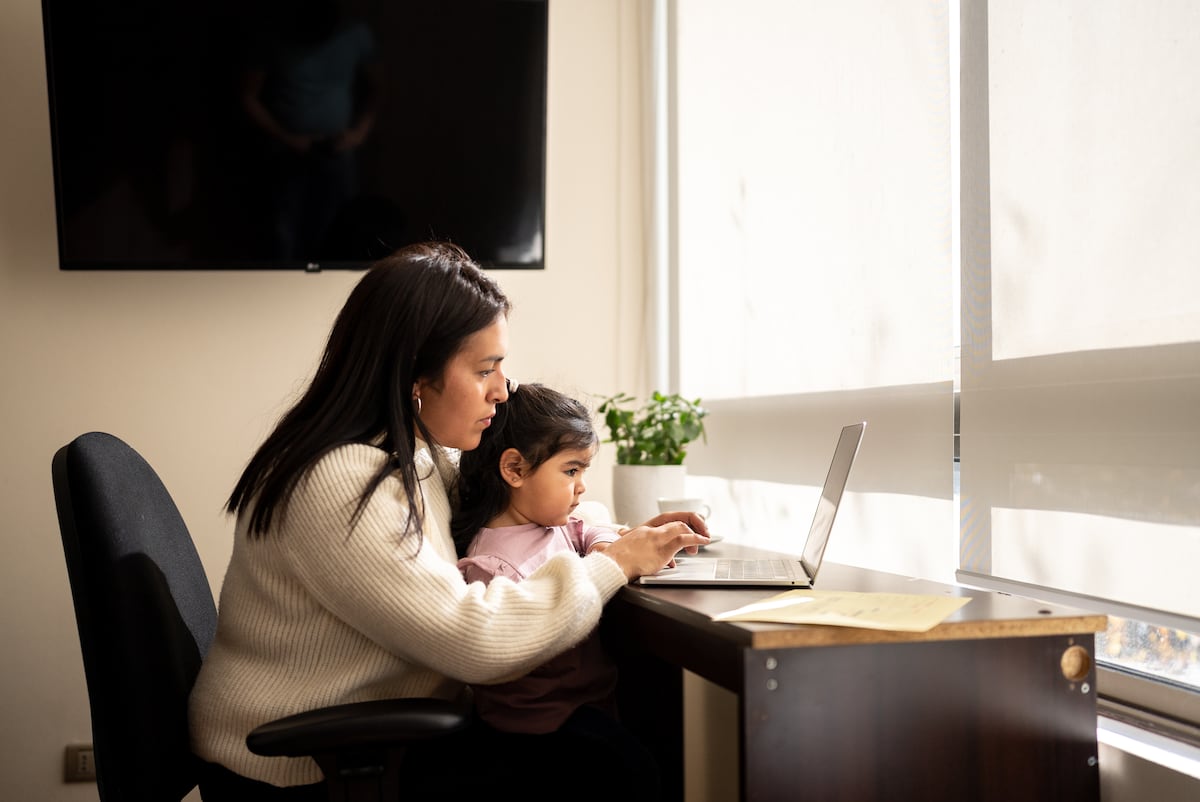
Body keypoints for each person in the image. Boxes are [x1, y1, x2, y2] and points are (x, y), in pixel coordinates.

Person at [188, 241, 709, 800]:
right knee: (617, 767)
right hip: (309, 768)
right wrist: (612, 564)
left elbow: (534, 507)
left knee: (615, 746)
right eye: (485, 369)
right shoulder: (342, 481)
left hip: (378, 738)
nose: (502, 389)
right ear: (417, 374)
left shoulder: (418, 459)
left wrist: (625, 539)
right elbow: (479, 643)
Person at [451, 381, 660, 795]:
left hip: (581, 702)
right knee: (640, 772)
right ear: (515, 469)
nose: (581, 486)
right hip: (537, 726)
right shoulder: (493, 566)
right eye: (571, 471)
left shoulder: (550, 524)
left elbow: (590, 526)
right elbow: (519, 648)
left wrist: (604, 547)